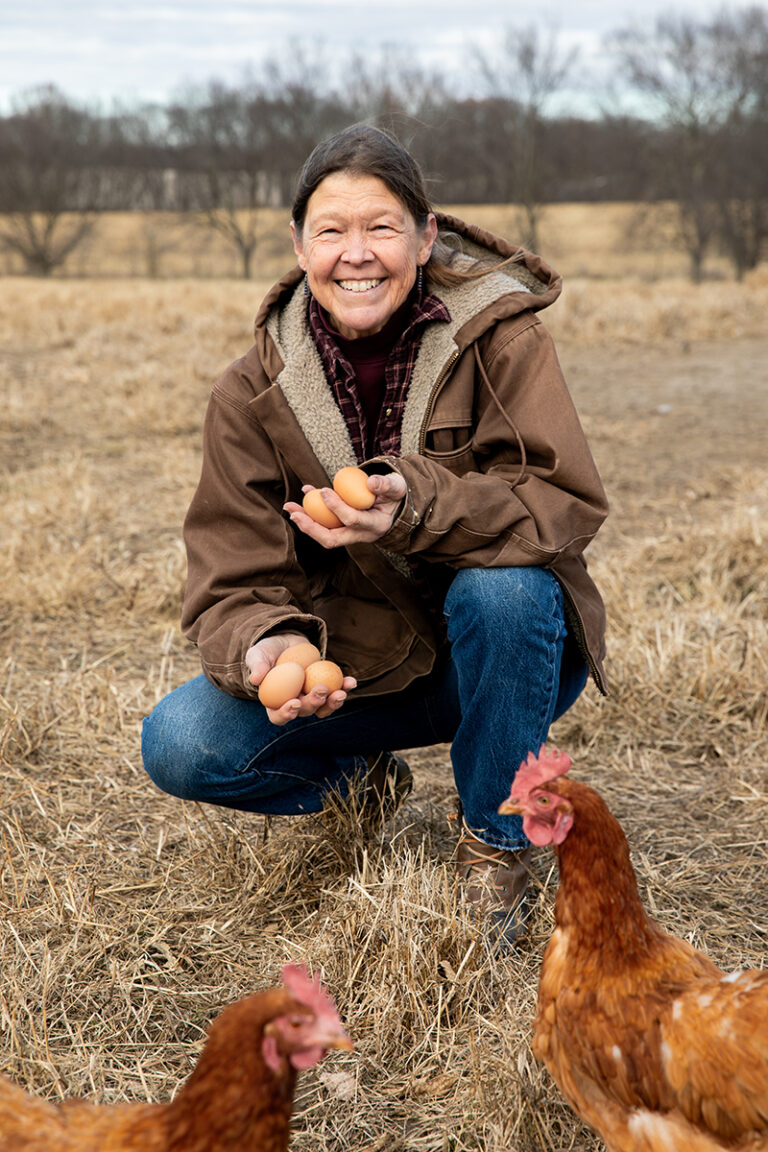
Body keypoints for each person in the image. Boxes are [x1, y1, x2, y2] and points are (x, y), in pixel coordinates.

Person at [141, 123, 609, 947]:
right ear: (299, 244)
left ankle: (494, 844)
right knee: (180, 744)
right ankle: (363, 780)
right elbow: (231, 576)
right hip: (360, 673)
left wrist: (416, 508)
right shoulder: (251, 393)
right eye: (331, 231)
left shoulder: (500, 339)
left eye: (382, 227)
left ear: (425, 237)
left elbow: (560, 498)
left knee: (506, 589)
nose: (356, 253)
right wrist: (272, 648)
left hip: (501, 656)